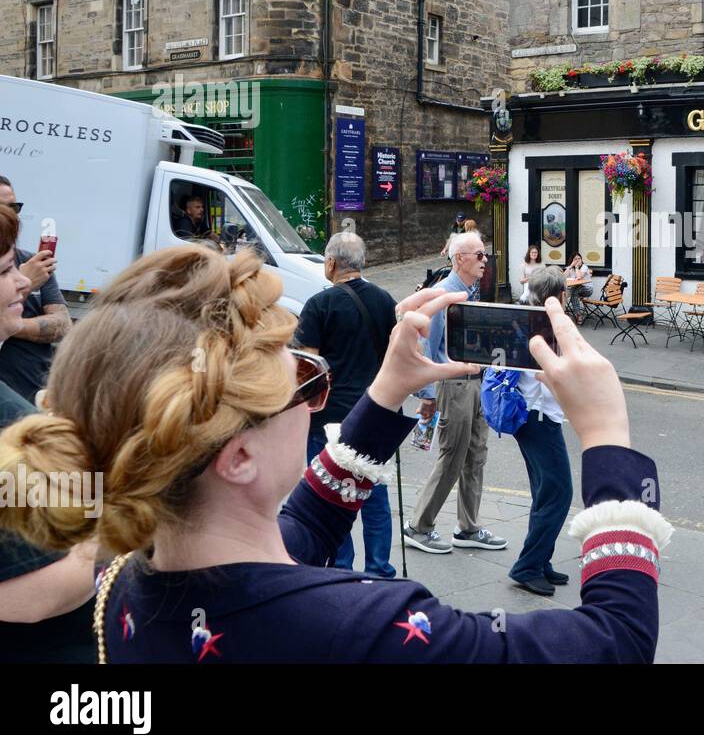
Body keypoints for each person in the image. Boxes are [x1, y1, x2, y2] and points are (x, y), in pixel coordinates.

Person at [0, 244, 668, 663]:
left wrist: (387, 388)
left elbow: (301, 533)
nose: (318, 395)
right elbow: (618, 640)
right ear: (237, 459)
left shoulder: (125, 582)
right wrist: (607, 436)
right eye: (303, 382)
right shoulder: (363, 627)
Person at [0, 202, 96, 663]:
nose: (21, 279)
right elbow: (30, 597)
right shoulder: (13, 425)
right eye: (4, 272)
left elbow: (62, 323)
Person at [295, 231, 398, 577]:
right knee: (376, 499)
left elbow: (308, 370)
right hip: (375, 412)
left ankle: (342, 570)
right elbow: (393, 358)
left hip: (330, 417)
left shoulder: (318, 306)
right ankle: (379, 570)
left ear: (331, 263)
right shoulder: (385, 301)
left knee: (331, 494)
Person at [403, 231, 507, 555]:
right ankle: (418, 526)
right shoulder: (443, 294)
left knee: (476, 456)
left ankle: (468, 527)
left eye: (484, 254)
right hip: (453, 385)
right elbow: (426, 348)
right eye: (479, 255)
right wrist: (428, 395)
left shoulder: (472, 290)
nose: (484, 260)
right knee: (453, 456)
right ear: (460, 258)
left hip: (476, 383)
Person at [508, 267, 575, 596]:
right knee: (559, 492)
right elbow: (545, 377)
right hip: (538, 418)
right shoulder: (542, 328)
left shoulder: (528, 319)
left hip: (533, 418)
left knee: (544, 492)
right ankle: (528, 566)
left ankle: (541, 560)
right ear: (559, 296)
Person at [0, 176, 72, 403]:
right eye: (3, 208)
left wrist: (13, 325)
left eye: (15, 207)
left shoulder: (35, 262)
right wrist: (26, 284)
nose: (11, 214)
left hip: (33, 391)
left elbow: (62, 325)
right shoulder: (28, 274)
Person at [564, 254, 593, 323]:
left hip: (587, 288)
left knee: (574, 294)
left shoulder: (584, 267)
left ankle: (578, 315)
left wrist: (576, 267)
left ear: (581, 260)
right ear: (572, 260)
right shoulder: (571, 268)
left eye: (579, 259)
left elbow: (579, 277)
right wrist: (570, 266)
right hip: (575, 288)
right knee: (563, 293)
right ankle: (563, 312)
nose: (577, 260)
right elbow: (563, 277)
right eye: (575, 259)